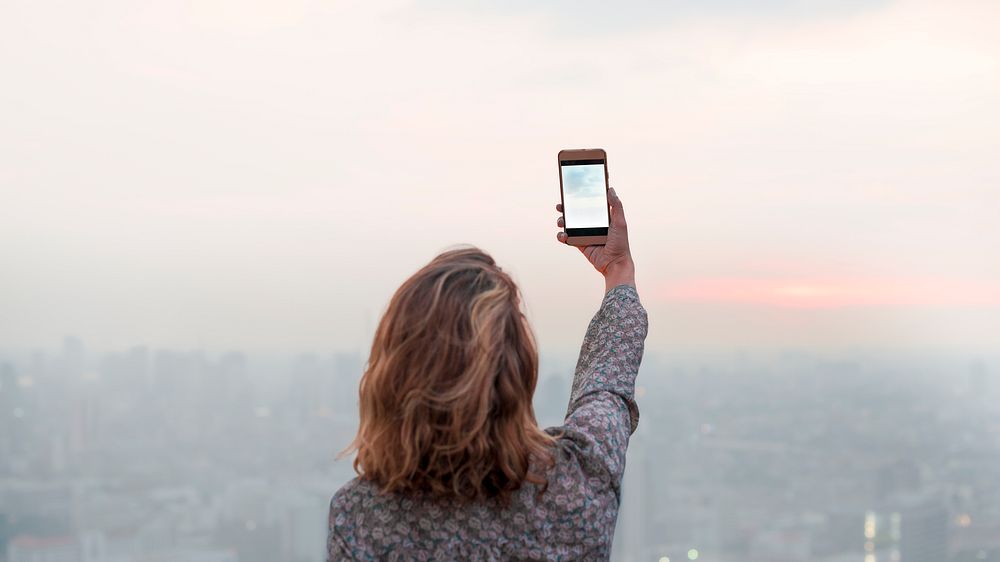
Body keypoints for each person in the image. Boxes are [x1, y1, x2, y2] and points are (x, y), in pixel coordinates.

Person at [328, 188, 648, 561]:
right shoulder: (574, 488)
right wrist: (618, 271)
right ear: (518, 370)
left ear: (393, 376)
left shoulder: (362, 520)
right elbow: (606, 387)